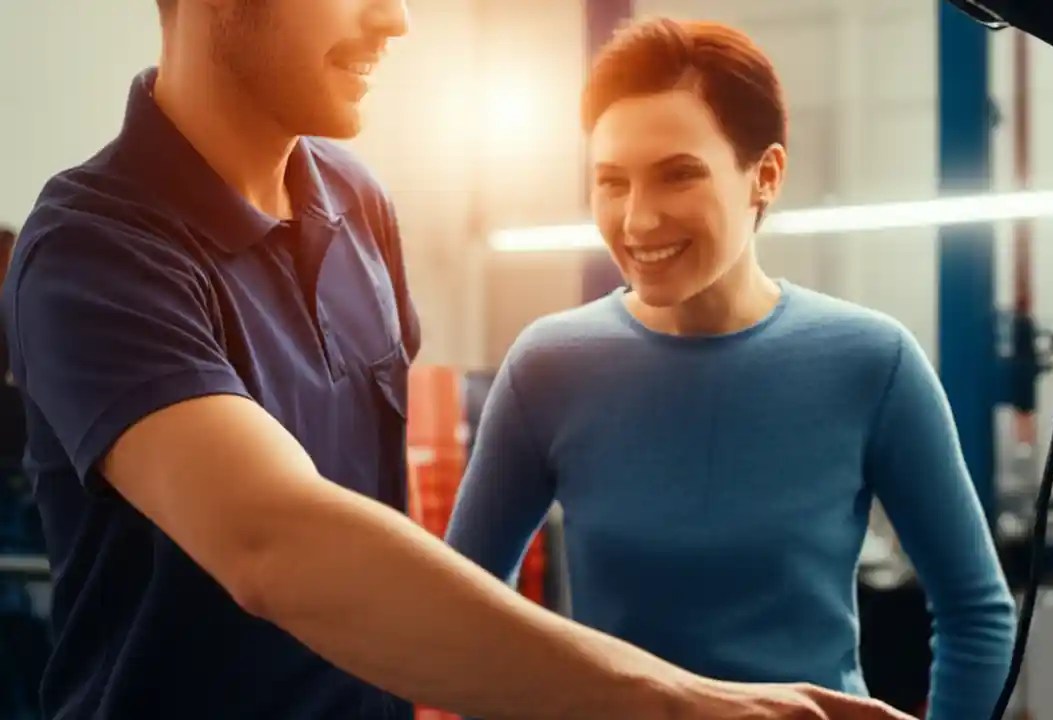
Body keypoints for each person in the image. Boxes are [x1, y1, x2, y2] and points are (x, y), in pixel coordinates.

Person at [0, 1, 912, 719]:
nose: (395, 19)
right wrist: (674, 701)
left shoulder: (359, 206)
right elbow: (270, 540)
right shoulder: (94, 248)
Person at [445, 17, 1018, 720]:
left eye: (678, 175)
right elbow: (461, 613)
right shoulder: (549, 367)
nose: (638, 220)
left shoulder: (871, 362)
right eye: (612, 182)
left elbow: (976, 611)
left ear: (765, 175)